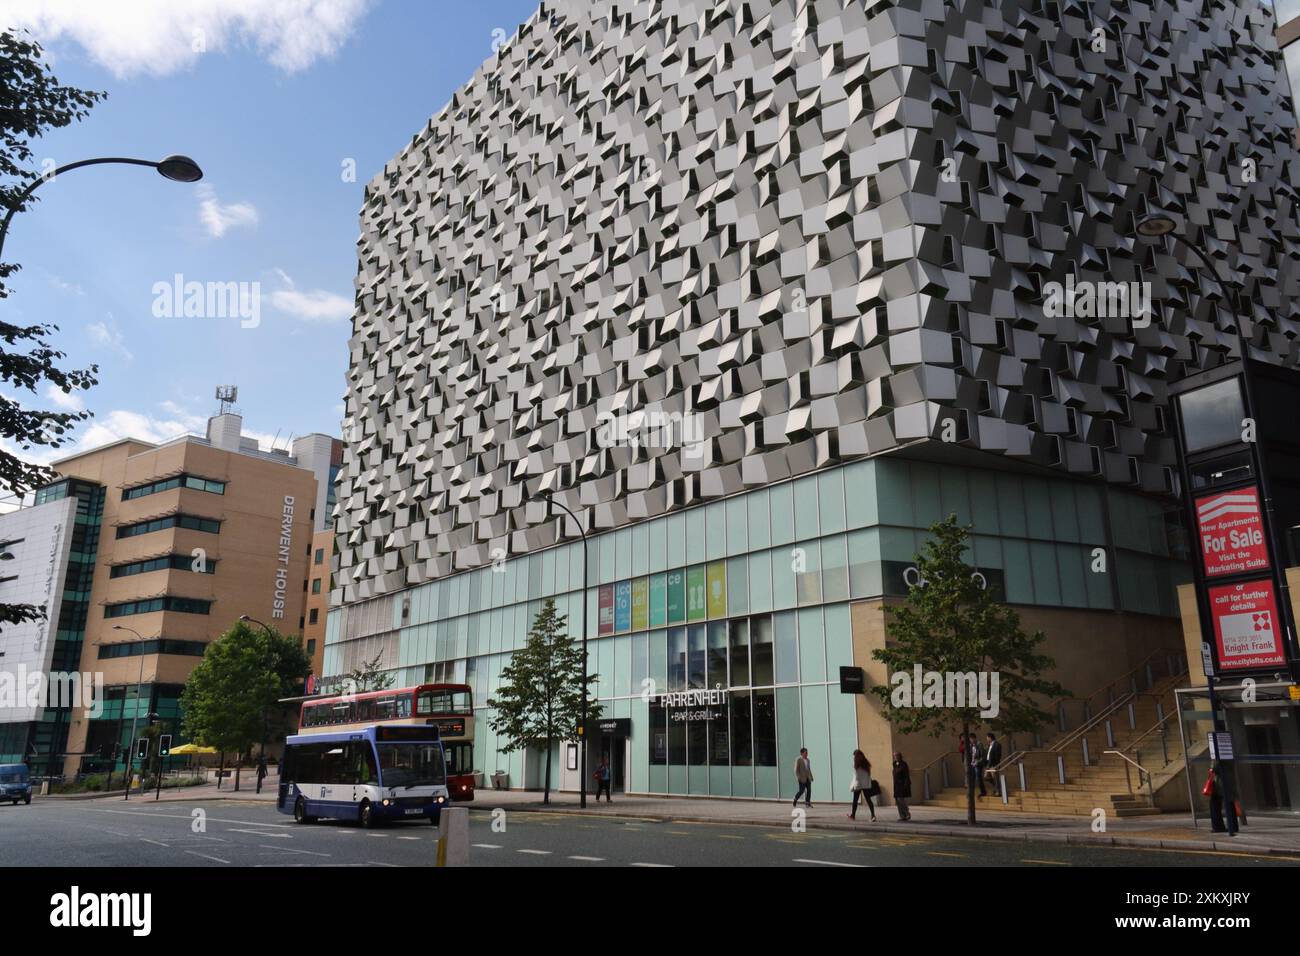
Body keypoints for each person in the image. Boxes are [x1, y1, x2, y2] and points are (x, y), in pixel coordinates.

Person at [847, 750, 875, 821]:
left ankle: (853, 815)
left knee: (855, 800)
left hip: (858, 784)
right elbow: (869, 775)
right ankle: (873, 815)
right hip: (865, 784)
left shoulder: (855, 764)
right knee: (868, 800)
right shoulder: (866, 763)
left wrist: (853, 785)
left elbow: (856, 776)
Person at [892, 752, 912, 821]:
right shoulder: (894, 764)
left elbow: (906, 775)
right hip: (896, 785)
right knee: (897, 801)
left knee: (901, 800)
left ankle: (907, 813)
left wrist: (906, 784)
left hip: (902, 785)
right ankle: (902, 815)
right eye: (894, 756)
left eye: (896, 756)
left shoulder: (904, 764)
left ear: (900, 756)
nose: (895, 757)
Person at [968, 733, 986, 798]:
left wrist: (977, 762)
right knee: (972, 778)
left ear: (974, 738)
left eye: (971, 739)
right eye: (970, 739)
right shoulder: (971, 745)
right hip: (972, 764)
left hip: (978, 764)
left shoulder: (979, 744)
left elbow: (983, 756)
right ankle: (971, 793)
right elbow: (971, 754)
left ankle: (983, 792)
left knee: (978, 778)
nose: (970, 740)